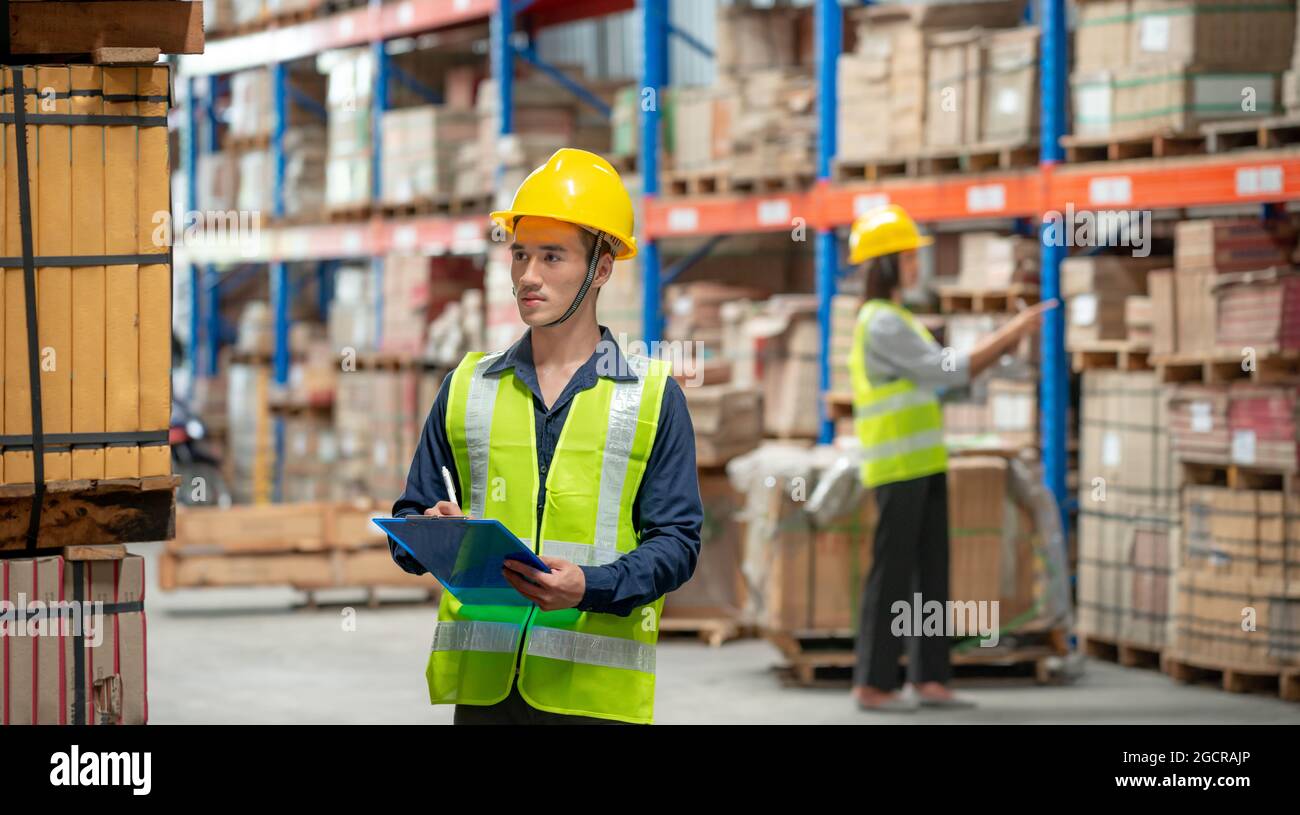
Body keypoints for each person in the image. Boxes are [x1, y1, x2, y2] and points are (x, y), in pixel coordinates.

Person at [390, 148, 703, 725]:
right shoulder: (466, 387)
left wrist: (591, 585)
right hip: (485, 694)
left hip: (591, 696)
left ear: (601, 269)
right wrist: (429, 533)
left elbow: (678, 544)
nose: (527, 276)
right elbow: (406, 522)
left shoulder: (652, 398)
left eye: (552, 257)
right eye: (520, 255)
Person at [846, 205, 1056, 713]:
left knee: (931, 575)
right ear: (885, 264)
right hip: (897, 470)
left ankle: (930, 678)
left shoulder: (900, 319)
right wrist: (1012, 333)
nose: (918, 264)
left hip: (923, 462)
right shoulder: (881, 324)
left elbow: (942, 381)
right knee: (892, 577)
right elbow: (948, 370)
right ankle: (873, 684)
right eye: (908, 256)